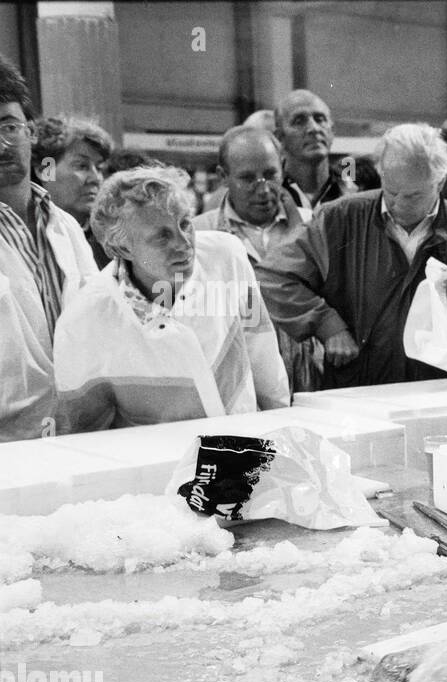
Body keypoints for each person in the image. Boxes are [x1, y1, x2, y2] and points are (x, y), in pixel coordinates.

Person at [256, 123, 447, 389]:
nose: (398, 204)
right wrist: (326, 324)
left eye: (412, 196)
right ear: (382, 174)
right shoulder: (338, 219)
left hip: (440, 391)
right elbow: (273, 276)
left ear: (439, 183)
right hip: (356, 392)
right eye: (390, 191)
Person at [55, 165, 289, 431]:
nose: (184, 243)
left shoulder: (227, 256)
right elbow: (82, 435)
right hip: (157, 466)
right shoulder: (83, 322)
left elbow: (264, 357)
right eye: (162, 236)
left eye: (185, 223)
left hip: (244, 452)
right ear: (121, 247)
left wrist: (282, 433)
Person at [0, 56, 99, 443]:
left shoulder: (67, 228)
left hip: (83, 432)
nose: (3, 144)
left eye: (9, 126)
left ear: (30, 131)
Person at [194, 125, 318, 393]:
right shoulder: (198, 236)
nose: (262, 190)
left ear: (283, 167)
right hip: (237, 382)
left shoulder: (315, 226)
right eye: (248, 178)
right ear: (223, 177)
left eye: (271, 175)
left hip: (309, 379)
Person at [30, 116, 113, 268]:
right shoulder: (24, 237)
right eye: (82, 166)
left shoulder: (112, 242)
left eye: (99, 168)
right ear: (45, 170)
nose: (96, 178)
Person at [275, 89, 356, 213]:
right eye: (299, 121)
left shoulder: (355, 193)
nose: (314, 128)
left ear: (332, 131)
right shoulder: (269, 195)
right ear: (280, 137)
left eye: (320, 119)